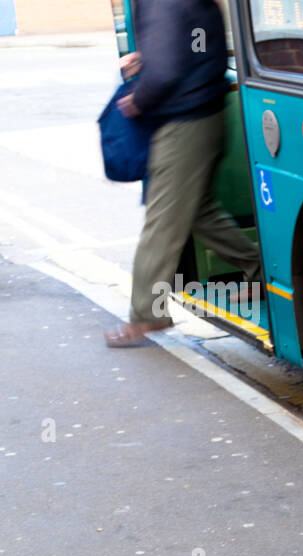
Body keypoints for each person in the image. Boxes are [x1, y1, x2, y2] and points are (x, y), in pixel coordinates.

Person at [105, 0, 262, 347]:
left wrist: (137, 100)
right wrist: (150, 58)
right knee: (199, 212)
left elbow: (166, 72)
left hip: (184, 122)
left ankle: (147, 314)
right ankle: (259, 271)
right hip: (207, 112)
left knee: (162, 219)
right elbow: (198, 44)